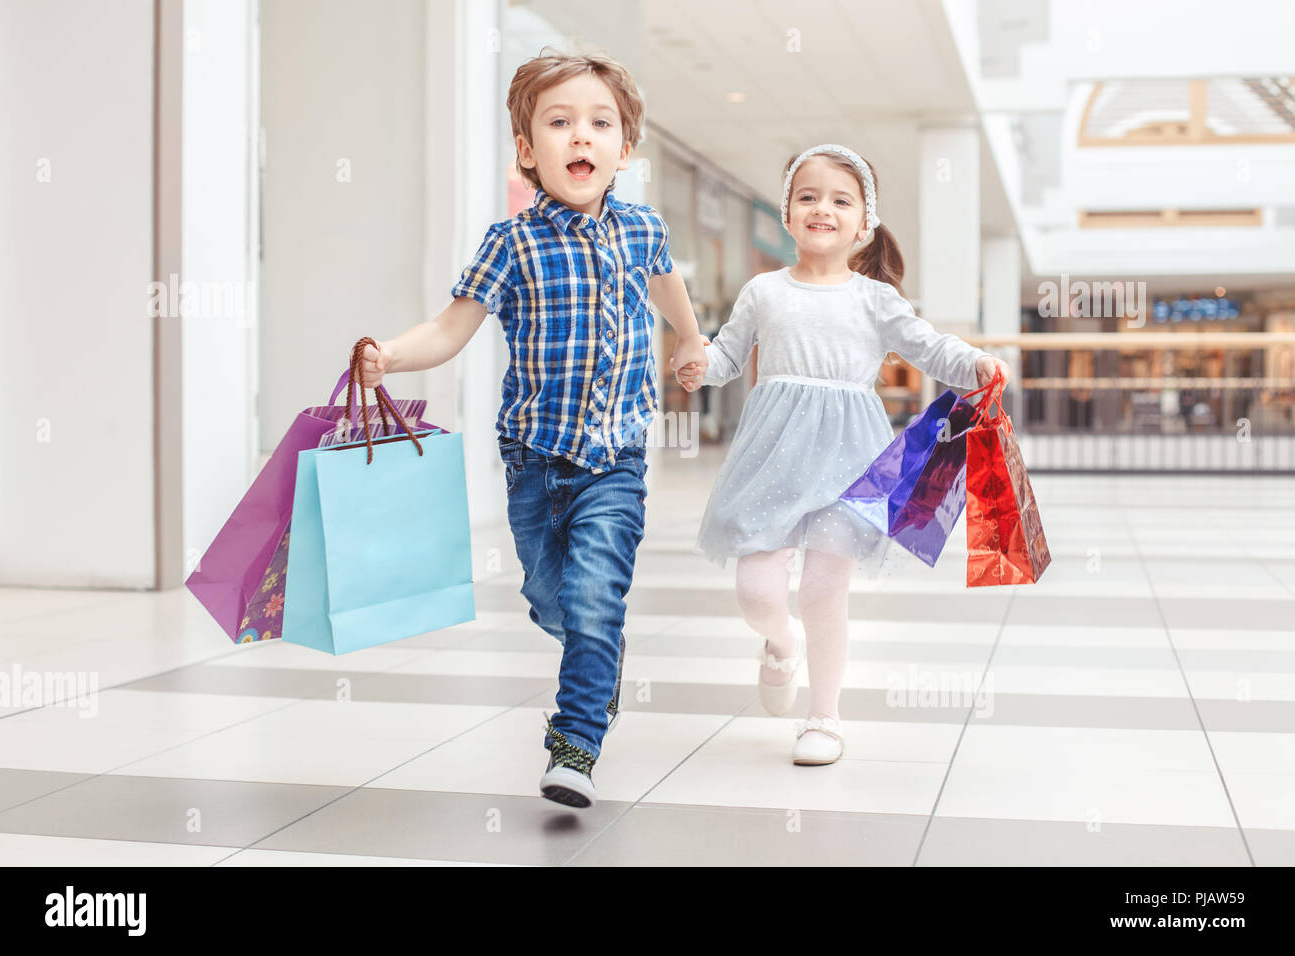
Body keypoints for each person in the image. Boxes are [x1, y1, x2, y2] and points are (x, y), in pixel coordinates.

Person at [360, 50, 708, 807]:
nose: (580, 137)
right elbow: (450, 330)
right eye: (559, 123)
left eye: (599, 123)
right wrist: (389, 355)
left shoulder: (642, 227)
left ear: (624, 148)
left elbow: (666, 284)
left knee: (592, 601)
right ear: (527, 151)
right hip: (533, 463)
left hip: (614, 460)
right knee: (551, 598)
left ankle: (574, 744)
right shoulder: (511, 243)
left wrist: (688, 338)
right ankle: (596, 652)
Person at [676, 144, 1009, 766]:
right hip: (771, 455)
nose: (821, 208)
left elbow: (929, 347)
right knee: (757, 591)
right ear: (786, 213)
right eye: (807, 196)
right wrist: (698, 367)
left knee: (824, 592)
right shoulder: (762, 291)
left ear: (865, 223)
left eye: (839, 199)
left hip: (850, 460)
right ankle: (779, 646)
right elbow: (723, 358)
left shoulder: (874, 298)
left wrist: (974, 363)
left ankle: (824, 717)